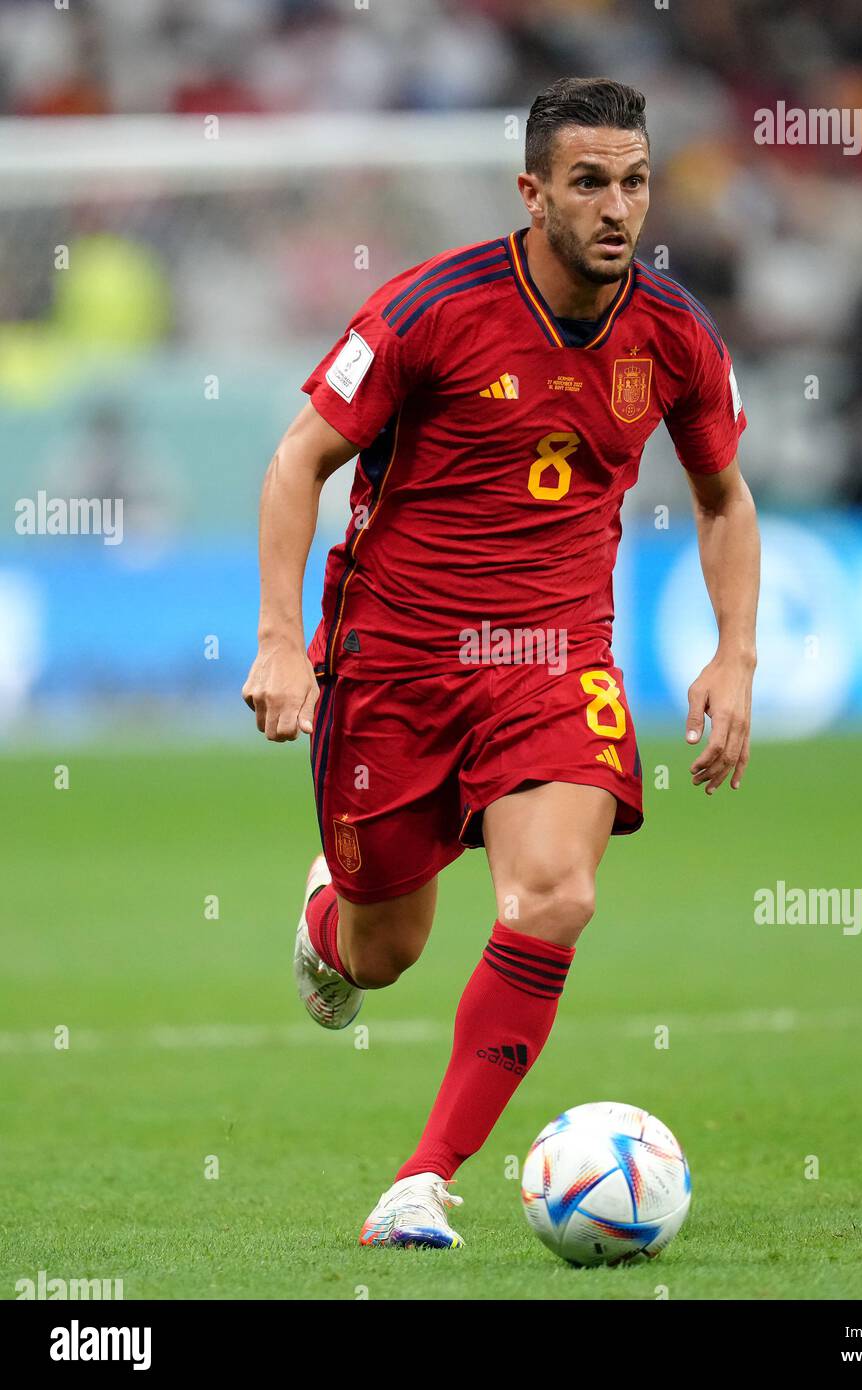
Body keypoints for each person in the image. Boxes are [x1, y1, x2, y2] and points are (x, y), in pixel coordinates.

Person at [243, 77, 760, 1249]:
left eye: (633, 180)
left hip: (554, 657)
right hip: (398, 658)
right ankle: (327, 917)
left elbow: (725, 498)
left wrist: (736, 652)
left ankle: (421, 1179)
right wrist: (282, 640)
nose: (617, 206)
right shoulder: (432, 310)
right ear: (532, 192)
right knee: (388, 948)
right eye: (588, 182)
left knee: (557, 896)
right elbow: (296, 462)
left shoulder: (673, 332)